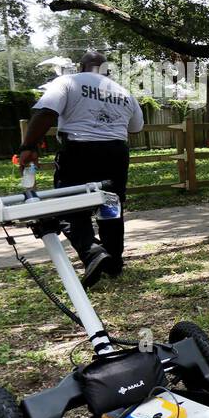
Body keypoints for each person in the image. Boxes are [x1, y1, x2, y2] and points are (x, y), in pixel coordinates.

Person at [19, 51, 144, 287]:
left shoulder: (68, 81)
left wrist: (28, 146)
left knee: (68, 206)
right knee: (110, 205)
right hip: (116, 153)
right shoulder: (124, 92)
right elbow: (136, 127)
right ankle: (114, 263)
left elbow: (46, 112)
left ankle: (92, 252)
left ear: (81, 66)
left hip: (79, 150)